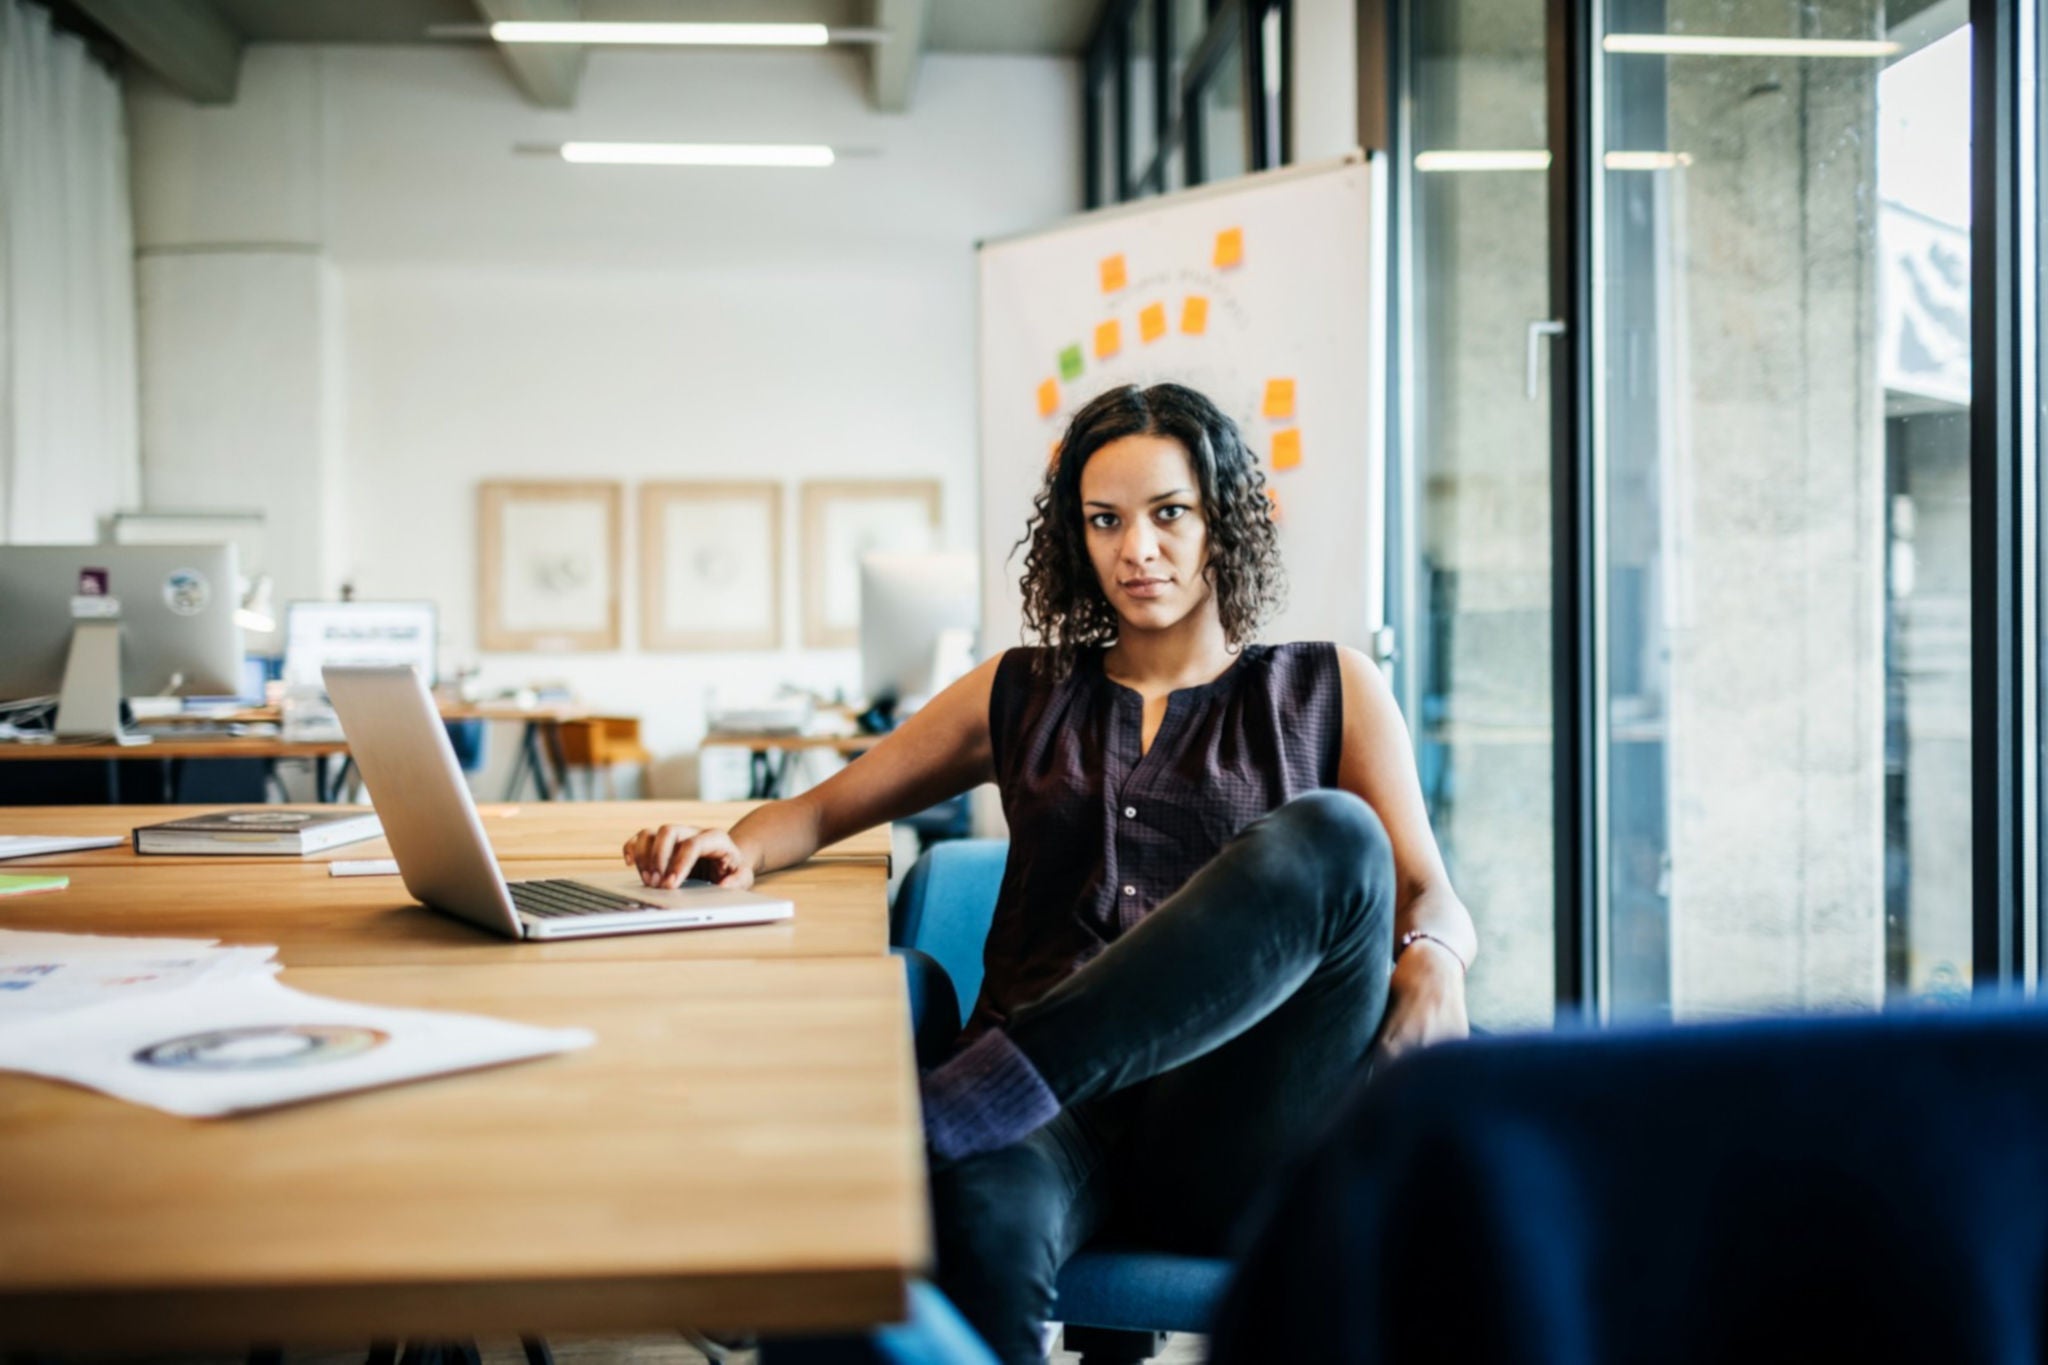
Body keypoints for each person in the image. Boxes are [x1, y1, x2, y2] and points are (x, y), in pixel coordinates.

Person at [624, 382, 1476, 1364]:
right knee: (979, 1230)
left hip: (1228, 1118)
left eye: (1167, 515)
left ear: (1219, 523)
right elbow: (820, 809)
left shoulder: (1324, 686)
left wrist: (1439, 957)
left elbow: (1425, 888)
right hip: (1047, 1126)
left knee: (1333, 837)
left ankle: (946, 1114)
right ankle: (967, 1121)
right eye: (1104, 521)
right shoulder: (1022, 687)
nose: (1135, 551)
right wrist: (735, 843)